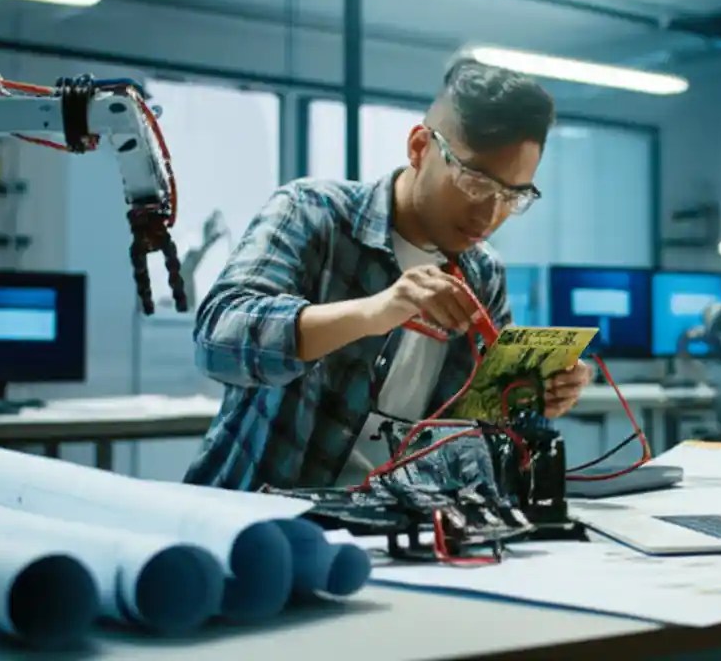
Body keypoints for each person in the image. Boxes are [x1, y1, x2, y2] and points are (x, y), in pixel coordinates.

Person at [183, 59, 593, 491]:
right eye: (474, 182)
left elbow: (482, 419)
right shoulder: (313, 212)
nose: (490, 214)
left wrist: (537, 392)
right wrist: (374, 312)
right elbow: (218, 340)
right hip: (272, 524)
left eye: (512, 195)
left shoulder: (482, 271)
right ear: (419, 148)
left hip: (399, 528)